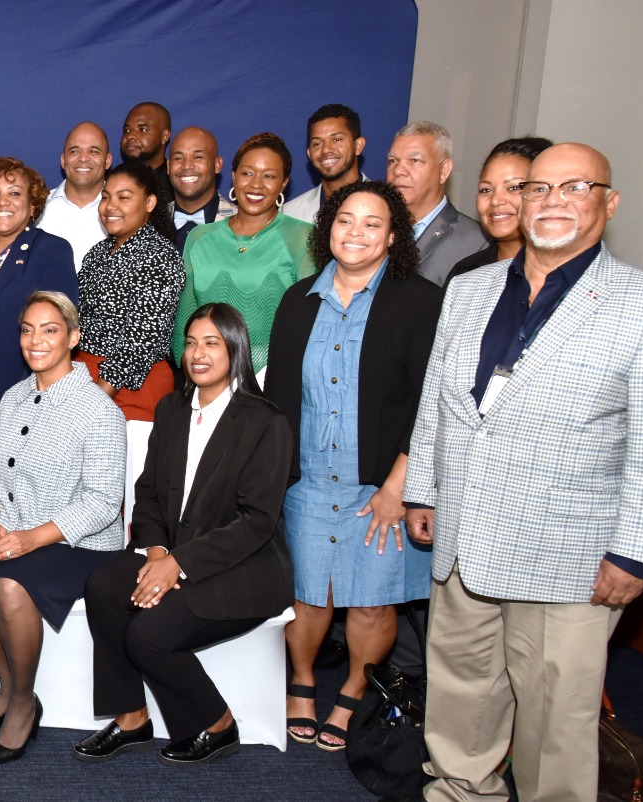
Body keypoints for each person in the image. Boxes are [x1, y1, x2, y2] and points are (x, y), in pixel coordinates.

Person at [403, 143, 643, 802]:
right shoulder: (470, 286)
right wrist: (423, 489)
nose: (552, 202)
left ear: (609, 201)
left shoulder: (641, 302)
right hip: (463, 534)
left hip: (567, 553)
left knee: (555, 726)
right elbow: (438, 400)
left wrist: (636, 550)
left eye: (575, 188)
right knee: (460, 701)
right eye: (538, 189)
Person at [265, 180, 441, 751]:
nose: (356, 233)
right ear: (327, 228)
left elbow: (429, 401)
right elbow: (281, 395)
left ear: (394, 235)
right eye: (345, 220)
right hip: (309, 478)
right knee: (310, 594)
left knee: (371, 599)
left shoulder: (419, 300)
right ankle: (303, 681)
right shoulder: (298, 301)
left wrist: (398, 487)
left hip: (378, 483)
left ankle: (355, 692)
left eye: (372, 223)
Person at [77, 302, 293, 767]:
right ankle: (132, 717)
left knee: (147, 635)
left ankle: (217, 723)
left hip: (245, 567)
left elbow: (257, 521)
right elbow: (148, 492)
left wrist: (176, 564)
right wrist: (157, 552)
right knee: (103, 584)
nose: (198, 353)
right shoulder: (171, 409)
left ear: (236, 349)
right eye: (191, 342)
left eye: (212, 343)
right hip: (173, 552)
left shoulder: (264, 421)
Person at [0, 291, 127, 765]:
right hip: (12, 529)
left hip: (81, 543)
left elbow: (103, 503)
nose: (36, 340)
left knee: (10, 587)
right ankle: (10, 686)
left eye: (50, 329)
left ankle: (23, 704)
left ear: (73, 337)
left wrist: (31, 538)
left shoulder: (99, 410)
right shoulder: (14, 397)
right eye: (27, 329)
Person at [0, 157, 77, 496]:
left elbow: (56, 335)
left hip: (9, 393)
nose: (2, 202)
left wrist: (20, 400)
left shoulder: (50, 250)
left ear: (33, 203)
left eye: (14, 193)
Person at [173, 132, 315, 375]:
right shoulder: (199, 237)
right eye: (247, 173)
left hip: (272, 383)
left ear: (283, 184)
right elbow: (182, 329)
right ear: (233, 177)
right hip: (203, 379)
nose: (256, 184)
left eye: (269, 176)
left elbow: (307, 324)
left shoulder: (303, 237)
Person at [75, 163, 183, 422]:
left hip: (131, 388)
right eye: (105, 197)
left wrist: (91, 401)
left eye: (123, 197)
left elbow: (139, 343)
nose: (110, 206)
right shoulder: (97, 253)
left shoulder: (161, 256)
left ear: (149, 203)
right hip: (83, 378)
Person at [385, 121, 488, 286]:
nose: (398, 170)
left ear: (444, 170)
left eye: (414, 160)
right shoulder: (374, 229)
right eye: (392, 161)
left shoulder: (477, 243)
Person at [447, 137, 555, 280]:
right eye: (486, 190)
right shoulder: (465, 274)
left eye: (514, 188)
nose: (496, 200)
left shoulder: (570, 274)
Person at [39, 123, 112, 275]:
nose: (84, 158)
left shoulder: (125, 213)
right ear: (63, 160)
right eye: (74, 151)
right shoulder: (38, 208)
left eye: (94, 151)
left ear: (108, 161)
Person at [284, 104, 368, 224]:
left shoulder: (387, 206)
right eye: (317, 143)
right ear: (309, 153)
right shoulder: (290, 215)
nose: (326, 149)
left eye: (337, 139)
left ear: (358, 146)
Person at [163, 127, 236, 252]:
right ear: (169, 167)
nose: (187, 165)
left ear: (217, 165)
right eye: (178, 158)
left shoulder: (242, 222)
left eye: (197, 157)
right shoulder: (149, 222)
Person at [119, 102, 173, 204]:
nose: (130, 136)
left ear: (164, 136)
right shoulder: (111, 182)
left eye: (142, 129)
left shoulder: (178, 185)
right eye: (127, 130)